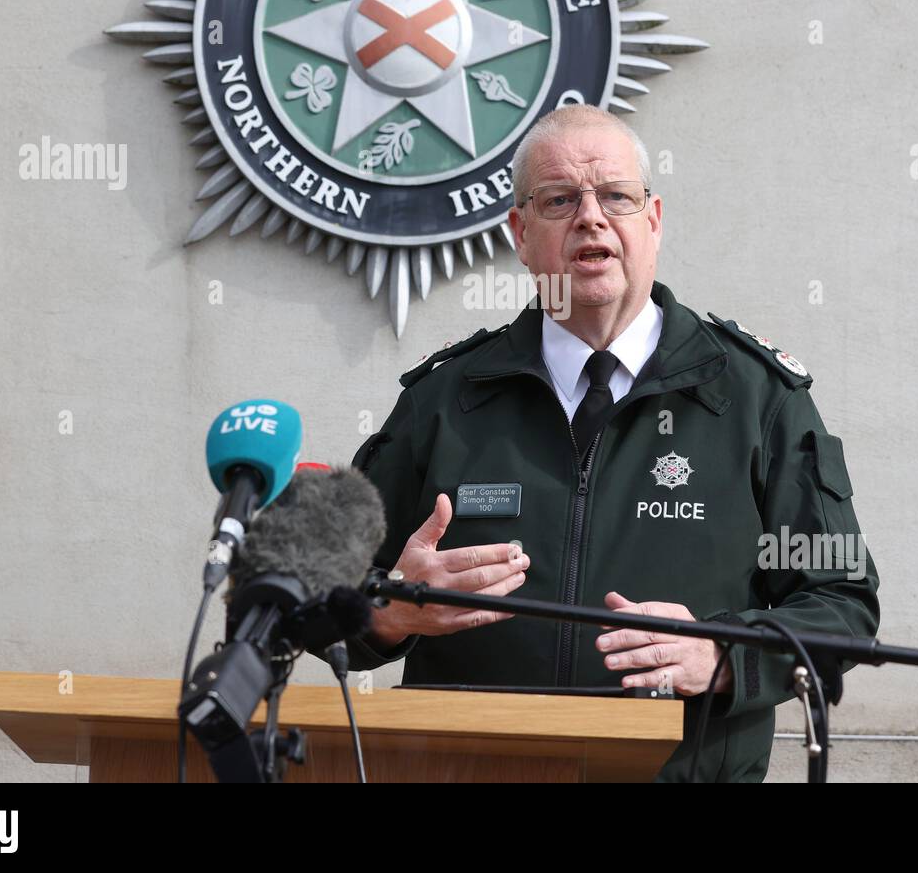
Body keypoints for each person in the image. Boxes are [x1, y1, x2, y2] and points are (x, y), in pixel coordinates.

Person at [347, 104, 880, 782]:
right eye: (560, 199)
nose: (590, 218)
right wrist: (392, 613)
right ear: (520, 231)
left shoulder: (756, 400)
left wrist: (725, 657)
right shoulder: (446, 402)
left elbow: (842, 606)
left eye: (616, 197)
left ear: (652, 221)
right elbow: (317, 600)